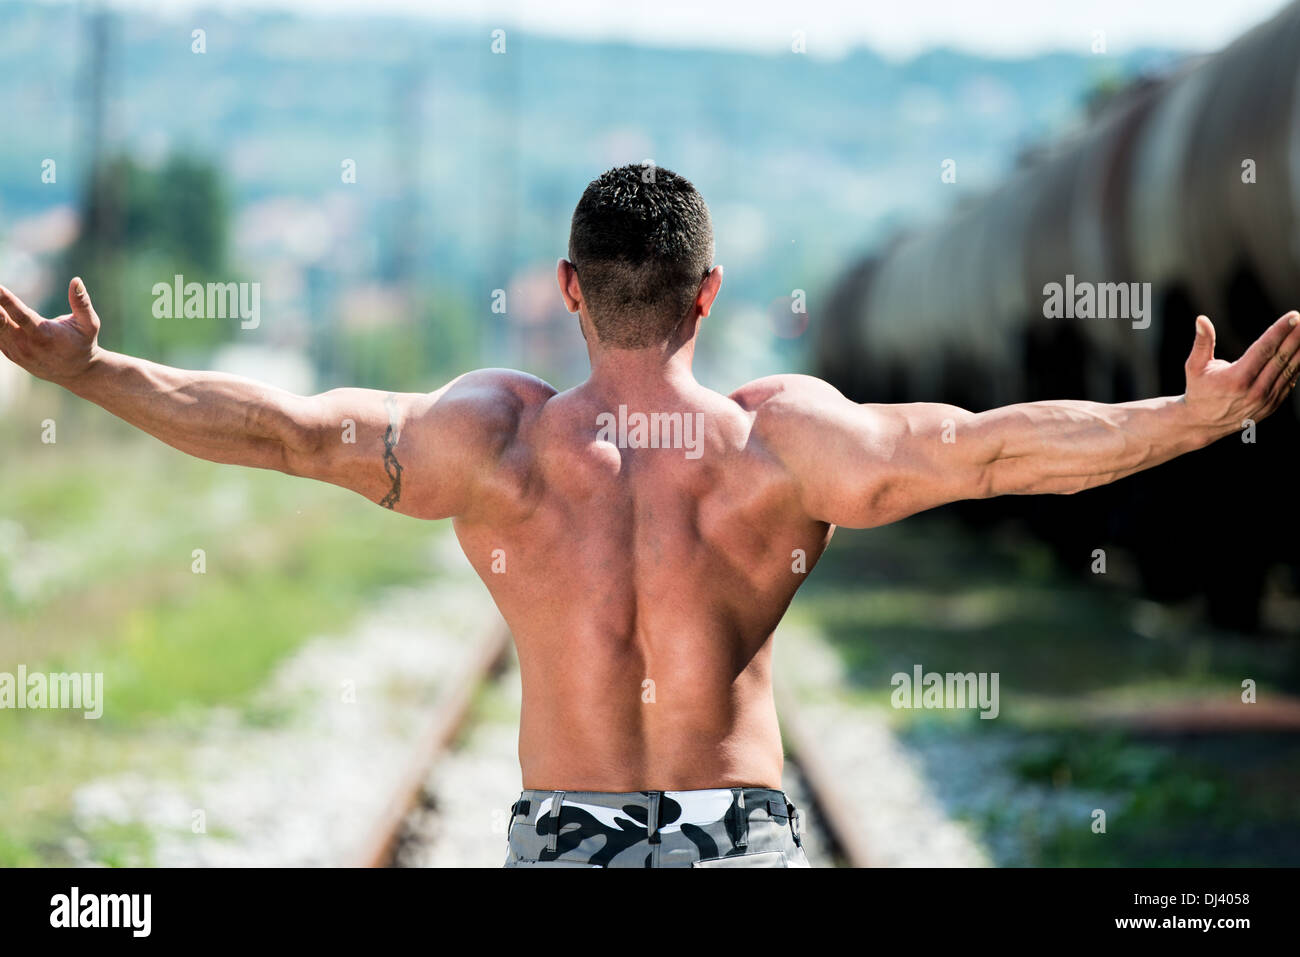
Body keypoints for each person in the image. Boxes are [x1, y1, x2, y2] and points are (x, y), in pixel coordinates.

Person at [2, 165, 1297, 867]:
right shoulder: (781, 447)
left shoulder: (495, 439)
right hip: (736, 835)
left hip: (569, 837)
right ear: (708, 291)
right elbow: (990, 450)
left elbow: (282, 430)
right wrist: (1180, 420)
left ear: (569, 287)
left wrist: (91, 371)